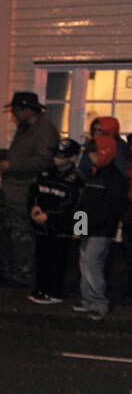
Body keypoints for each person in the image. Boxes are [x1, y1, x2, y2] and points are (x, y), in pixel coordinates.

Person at [0, 92, 60, 288]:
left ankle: (23, 275)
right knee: (7, 236)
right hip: (11, 193)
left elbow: (44, 160)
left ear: (27, 109)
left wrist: (12, 165)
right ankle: (9, 272)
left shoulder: (44, 130)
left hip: (25, 194)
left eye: (15, 110)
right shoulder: (25, 128)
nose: (13, 114)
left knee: (22, 237)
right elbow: (21, 154)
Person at [73, 129, 128, 321]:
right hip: (91, 228)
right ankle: (89, 301)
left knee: (91, 263)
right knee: (86, 263)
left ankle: (98, 302)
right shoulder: (95, 174)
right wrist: (79, 228)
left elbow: (114, 208)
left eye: (94, 153)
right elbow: (83, 203)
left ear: (105, 153)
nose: (91, 157)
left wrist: (86, 225)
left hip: (101, 230)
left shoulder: (114, 178)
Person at [26, 139, 83, 304]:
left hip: (60, 228)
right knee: (42, 257)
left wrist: (50, 216)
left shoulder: (76, 179)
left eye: (62, 155)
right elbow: (34, 193)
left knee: (57, 260)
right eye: (56, 154)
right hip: (41, 226)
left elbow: (74, 206)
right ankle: (41, 288)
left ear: (73, 158)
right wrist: (34, 208)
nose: (57, 158)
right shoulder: (45, 173)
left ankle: (54, 292)